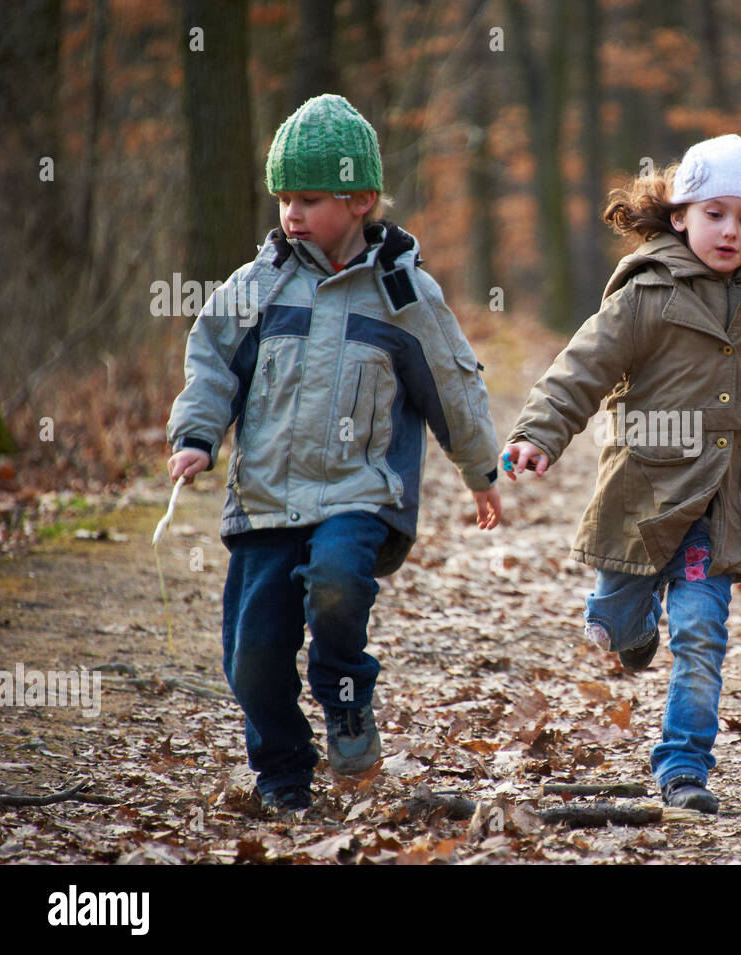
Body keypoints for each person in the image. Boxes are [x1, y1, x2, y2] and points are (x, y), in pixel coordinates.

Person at [501, 134, 741, 813]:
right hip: (642, 499)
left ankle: (684, 767)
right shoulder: (646, 294)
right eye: (715, 213)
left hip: (721, 503)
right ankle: (630, 627)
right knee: (614, 622)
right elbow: (580, 371)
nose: (730, 230)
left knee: (702, 637)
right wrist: (536, 436)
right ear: (680, 215)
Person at [165, 94, 501, 816]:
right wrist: (195, 437)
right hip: (264, 502)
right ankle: (284, 773)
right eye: (284, 197)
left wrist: (481, 472)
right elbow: (211, 364)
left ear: (361, 200)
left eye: (310, 198)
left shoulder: (403, 297)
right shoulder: (257, 288)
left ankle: (345, 691)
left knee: (339, 584)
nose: (291, 213)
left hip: (359, 493)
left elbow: (453, 383)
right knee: (250, 662)